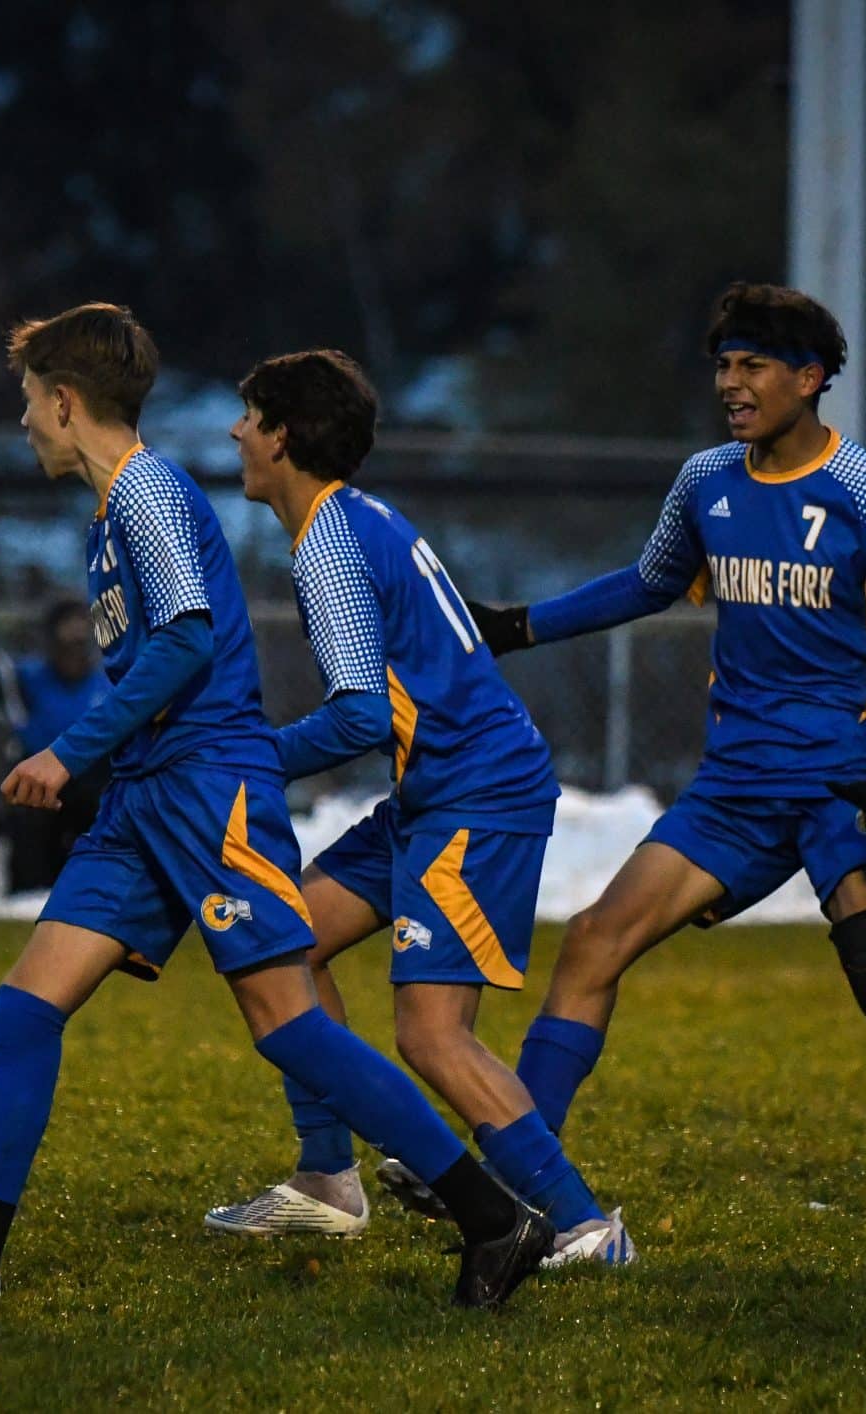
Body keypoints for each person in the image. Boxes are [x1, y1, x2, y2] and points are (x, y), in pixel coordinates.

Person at [0, 305, 550, 1309]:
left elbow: (185, 643)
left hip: (208, 793)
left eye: (30, 402)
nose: (26, 423)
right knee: (26, 1004)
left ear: (65, 400)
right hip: (143, 799)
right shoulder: (108, 514)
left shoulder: (150, 495)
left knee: (286, 1023)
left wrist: (65, 750)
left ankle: (492, 1214)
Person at [471, 283, 866, 1247]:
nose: (730, 385)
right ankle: (518, 1179)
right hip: (735, 789)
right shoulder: (705, 480)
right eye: (722, 366)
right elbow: (649, 584)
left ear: (810, 378)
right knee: (591, 942)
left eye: (751, 366)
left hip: (840, 784)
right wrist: (522, 625)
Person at [203, 349, 630, 1265]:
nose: (235, 432)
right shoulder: (356, 519)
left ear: (283, 436)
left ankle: (586, 1226)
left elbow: (360, 711)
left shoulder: (328, 544)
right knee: (289, 940)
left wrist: (243, 761)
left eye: (248, 416)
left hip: (475, 795)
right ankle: (328, 1181)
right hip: (441, 789)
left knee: (431, 1035)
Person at [0, 573, 110, 890]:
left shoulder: (107, 683)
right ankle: (27, 895)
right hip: (40, 787)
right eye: (67, 624)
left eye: (81, 624)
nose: (75, 634)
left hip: (93, 785)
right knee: (27, 814)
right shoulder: (28, 679)